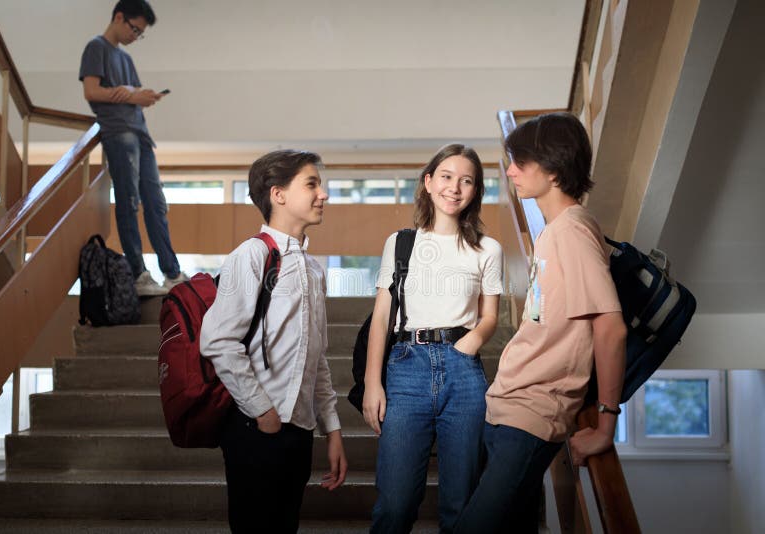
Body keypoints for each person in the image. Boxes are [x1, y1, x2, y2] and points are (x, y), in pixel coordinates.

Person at [454, 113, 626, 533]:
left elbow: (610, 328)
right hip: (508, 407)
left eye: (521, 162)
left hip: (532, 416)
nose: (510, 171)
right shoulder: (554, 232)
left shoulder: (572, 230)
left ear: (552, 168)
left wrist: (606, 424)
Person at [200, 150, 347, 533]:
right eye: (311, 184)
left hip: (298, 432)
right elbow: (218, 341)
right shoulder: (249, 255)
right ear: (278, 194)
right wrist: (262, 412)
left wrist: (331, 430)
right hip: (255, 427)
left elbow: (317, 358)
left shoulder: (314, 270)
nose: (323, 194)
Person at [363, 144, 504, 533]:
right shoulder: (401, 243)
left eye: (467, 181)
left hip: (464, 372)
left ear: (475, 191)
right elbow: (381, 318)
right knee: (395, 503)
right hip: (407, 368)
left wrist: (471, 342)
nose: (454, 188)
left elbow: (490, 316)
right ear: (428, 182)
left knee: (461, 504)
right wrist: (373, 384)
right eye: (446, 177)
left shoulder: (487, 249)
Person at [79, 0, 187, 296]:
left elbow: (130, 94)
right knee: (128, 202)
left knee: (156, 204)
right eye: (135, 29)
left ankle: (172, 272)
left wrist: (140, 96)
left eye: (140, 33)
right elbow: (91, 91)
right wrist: (129, 96)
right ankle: (138, 274)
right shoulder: (96, 47)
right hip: (118, 132)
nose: (135, 36)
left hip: (140, 133)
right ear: (119, 17)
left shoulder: (125, 59)